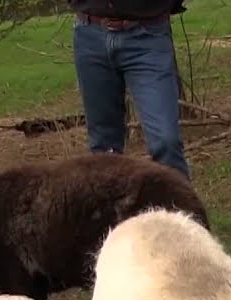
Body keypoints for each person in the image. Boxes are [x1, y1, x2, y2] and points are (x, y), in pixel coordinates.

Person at [68, 0, 191, 180]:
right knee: (104, 148)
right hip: (90, 35)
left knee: (166, 141)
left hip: (147, 37)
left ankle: (178, 206)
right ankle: (110, 208)